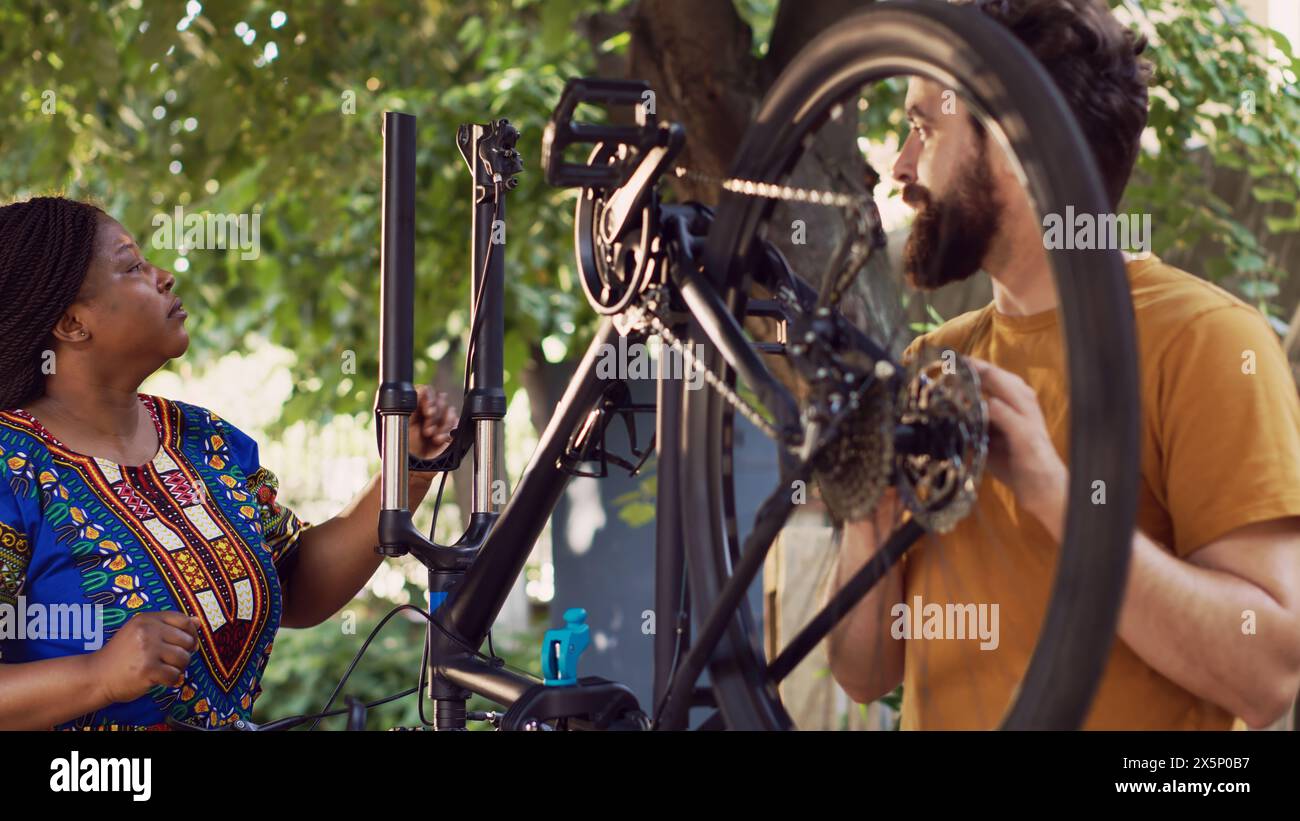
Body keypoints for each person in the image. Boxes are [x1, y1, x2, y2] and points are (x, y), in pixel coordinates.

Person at [827, 0, 1300, 729]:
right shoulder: (935, 359)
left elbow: (1268, 674)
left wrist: (1055, 493)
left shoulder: (1207, 343)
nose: (901, 165)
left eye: (924, 128)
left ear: (1022, 149)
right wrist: (869, 512)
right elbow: (864, 672)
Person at [0, 195, 458, 729]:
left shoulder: (205, 440)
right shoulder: (13, 468)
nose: (164, 276)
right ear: (72, 324)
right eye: (132, 266)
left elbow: (299, 587)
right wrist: (98, 675)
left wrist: (408, 474)